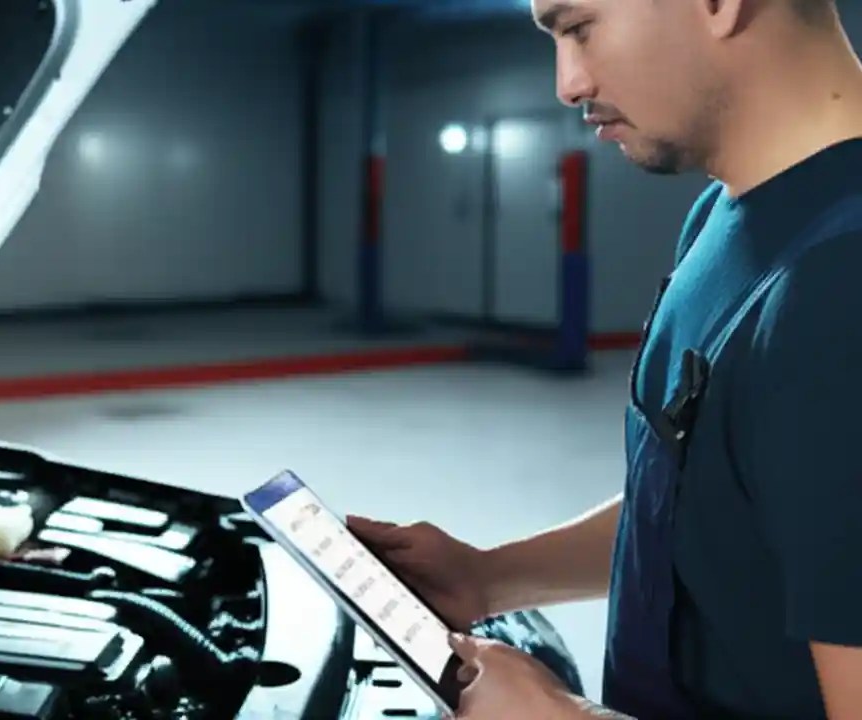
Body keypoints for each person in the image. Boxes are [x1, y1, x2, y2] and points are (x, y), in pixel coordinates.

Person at [347, 0, 862, 717]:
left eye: (579, 28)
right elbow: (712, 504)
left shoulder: (843, 282)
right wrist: (488, 577)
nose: (567, 84)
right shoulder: (723, 215)